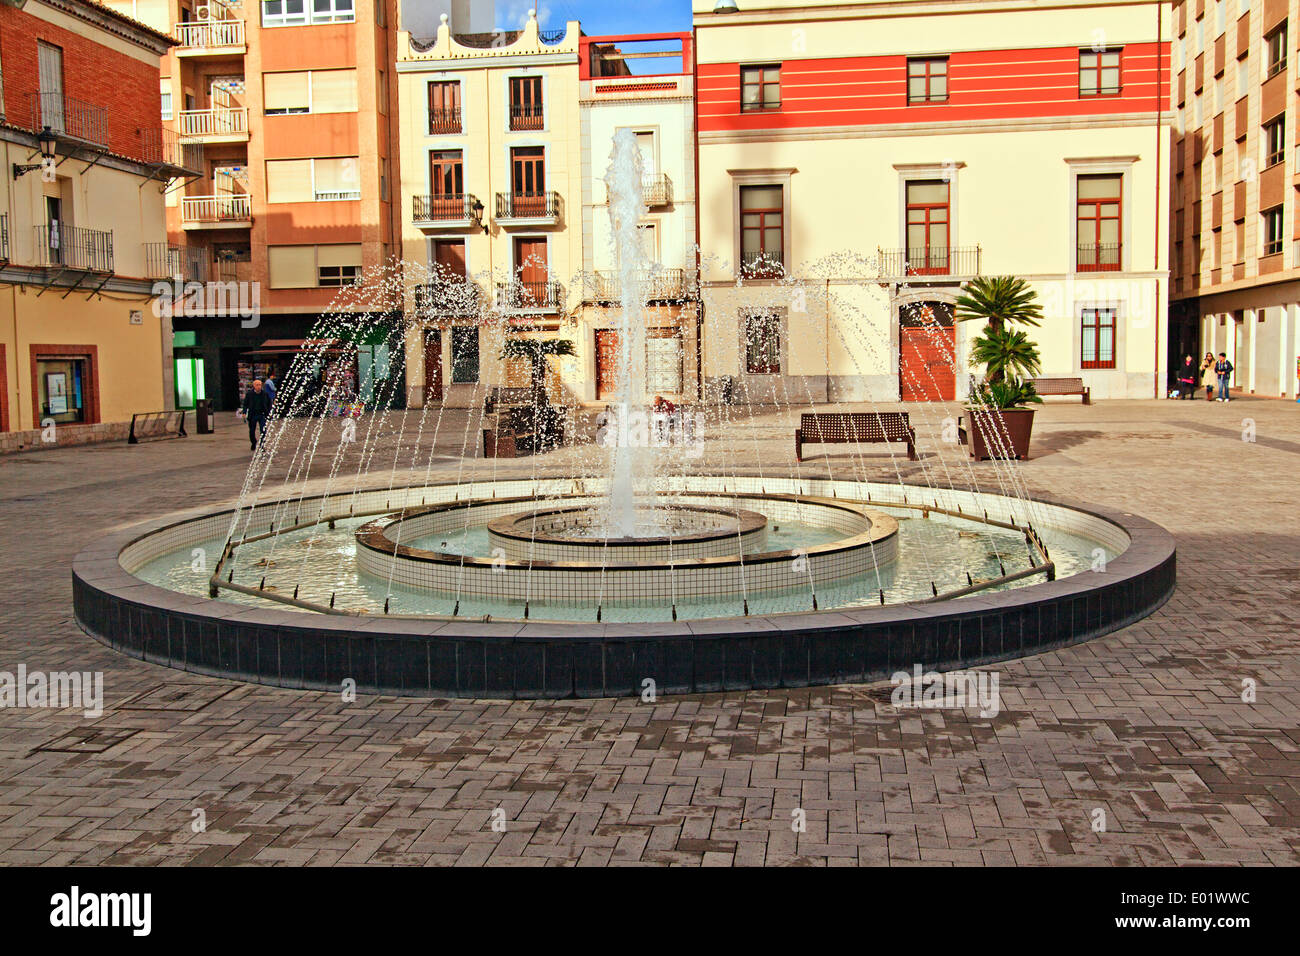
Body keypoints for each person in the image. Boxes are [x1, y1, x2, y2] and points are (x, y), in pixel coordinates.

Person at [241, 378, 273, 450]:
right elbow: (245, 404)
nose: (259, 386)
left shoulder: (265, 394)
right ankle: (253, 442)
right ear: (254, 386)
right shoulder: (250, 394)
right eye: (257, 385)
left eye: (260, 385)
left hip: (262, 414)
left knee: (263, 430)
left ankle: (262, 444)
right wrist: (244, 412)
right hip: (253, 414)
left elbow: (269, 403)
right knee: (252, 431)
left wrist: (269, 412)